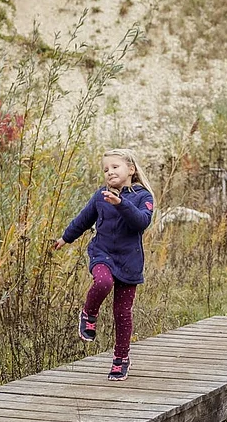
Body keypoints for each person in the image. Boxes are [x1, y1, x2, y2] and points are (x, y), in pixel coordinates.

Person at [55, 149, 155, 381]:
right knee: (102, 282)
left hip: (129, 261)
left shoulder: (143, 197)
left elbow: (141, 222)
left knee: (122, 313)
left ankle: (121, 359)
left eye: (115, 167)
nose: (110, 172)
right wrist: (65, 238)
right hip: (103, 253)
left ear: (130, 169)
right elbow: (82, 220)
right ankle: (89, 313)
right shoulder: (100, 196)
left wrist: (120, 203)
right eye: (106, 170)